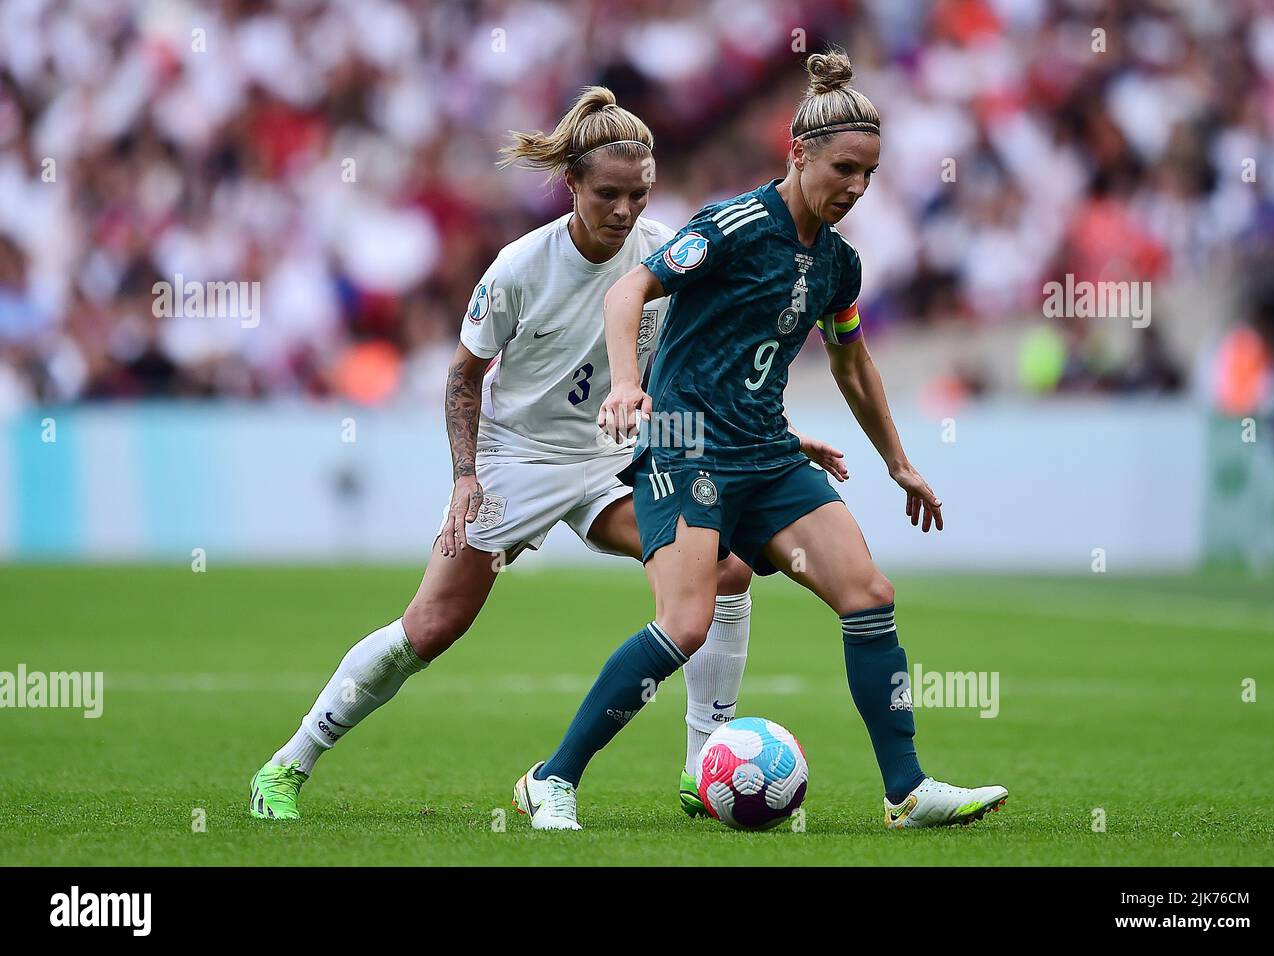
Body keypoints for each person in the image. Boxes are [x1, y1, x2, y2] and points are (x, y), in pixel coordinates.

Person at [248, 87, 847, 820]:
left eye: (638, 193)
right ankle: (287, 764)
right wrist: (467, 478)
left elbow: (704, 356)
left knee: (725, 569)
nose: (624, 211)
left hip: (614, 458)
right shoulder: (519, 267)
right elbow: (464, 375)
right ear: (572, 185)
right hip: (516, 455)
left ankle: (701, 765)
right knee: (431, 629)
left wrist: (773, 438)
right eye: (608, 194)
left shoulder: (668, 250)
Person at [514, 53, 1007, 830]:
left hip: (767, 454)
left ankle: (905, 791)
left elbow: (851, 359)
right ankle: (552, 778)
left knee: (868, 595)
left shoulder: (838, 265)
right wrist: (623, 383)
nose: (855, 188)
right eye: (844, 168)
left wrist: (899, 462)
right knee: (685, 624)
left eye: (870, 175)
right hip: (686, 449)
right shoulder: (735, 226)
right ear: (799, 152)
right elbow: (629, 288)